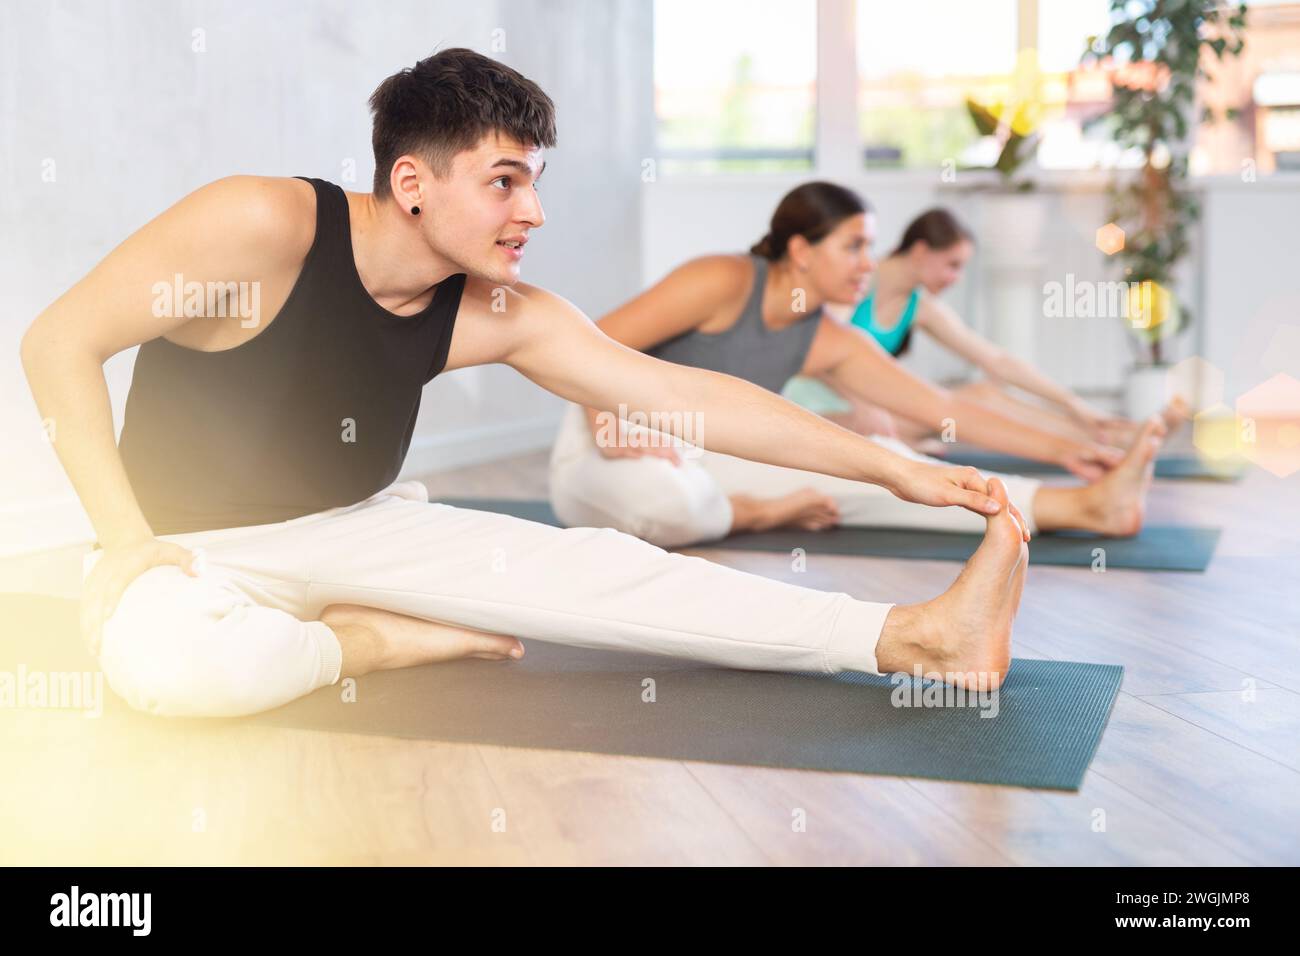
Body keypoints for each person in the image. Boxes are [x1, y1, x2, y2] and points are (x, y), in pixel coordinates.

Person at [20, 49, 1033, 718]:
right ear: (413, 182)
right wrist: (126, 541)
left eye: (534, 179)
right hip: (186, 549)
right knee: (167, 667)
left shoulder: (501, 311)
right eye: (505, 180)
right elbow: (57, 342)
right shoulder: (261, 225)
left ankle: (907, 635)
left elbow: (691, 399)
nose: (532, 211)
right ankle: (362, 643)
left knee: (596, 567)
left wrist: (893, 469)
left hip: (356, 523)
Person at [550, 182, 1165, 551]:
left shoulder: (826, 338)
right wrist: (609, 413)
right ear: (800, 250)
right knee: (673, 506)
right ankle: (760, 511)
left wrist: (1066, 449)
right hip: (604, 440)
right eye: (854, 246)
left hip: (712, 456)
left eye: (871, 246)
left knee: (888, 466)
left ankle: (1084, 507)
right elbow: (594, 341)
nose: (868, 263)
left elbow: (943, 410)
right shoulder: (722, 280)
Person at [782, 207, 1187, 450]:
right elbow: (812, 355)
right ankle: (1104, 446)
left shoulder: (919, 307)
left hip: (871, 413)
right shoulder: (852, 285)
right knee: (972, 401)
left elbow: (997, 360)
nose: (957, 278)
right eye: (953, 264)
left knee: (985, 392)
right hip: (812, 412)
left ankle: (1101, 437)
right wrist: (867, 403)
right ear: (921, 251)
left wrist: (1073, 404)